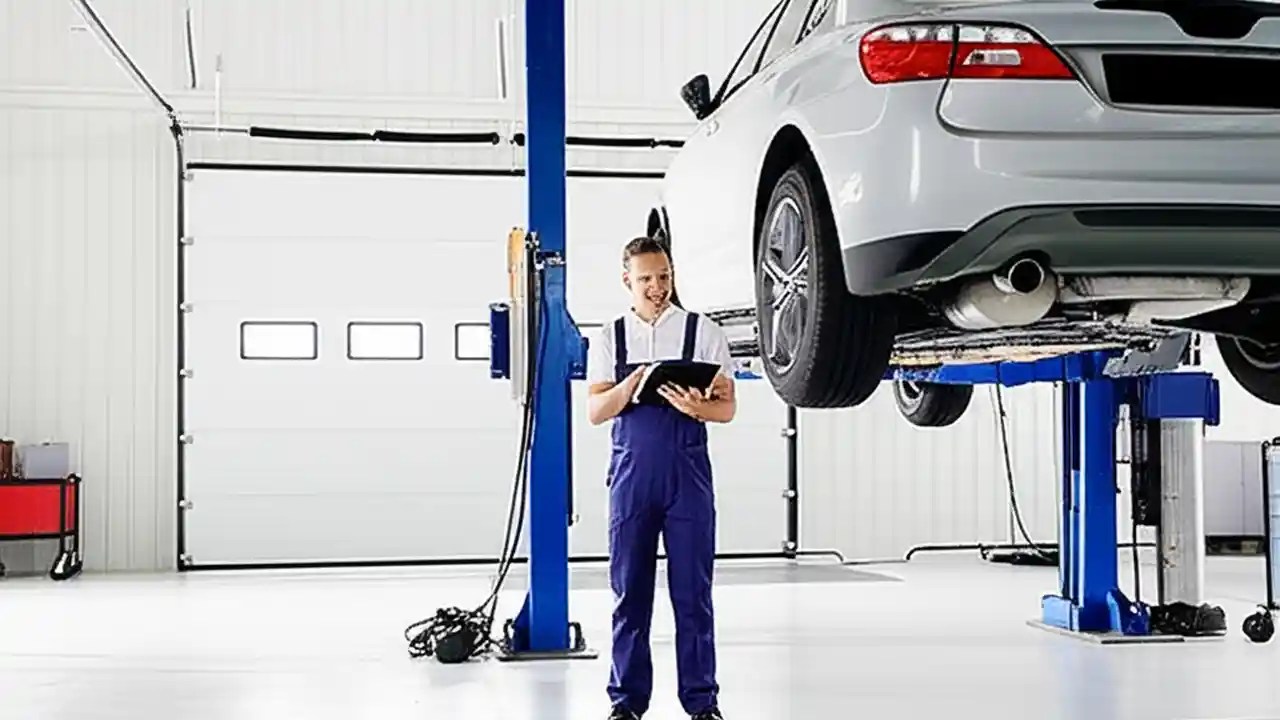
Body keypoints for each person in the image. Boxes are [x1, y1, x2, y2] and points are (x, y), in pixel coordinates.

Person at [587, 236, 736, 720]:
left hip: (687, 476)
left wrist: (701, 408)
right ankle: (627, 704)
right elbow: (594, 410)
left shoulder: (704, 332)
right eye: (647, 279)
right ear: (627, 280)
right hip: (632, 478)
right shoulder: (611, 337)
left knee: (693, 593)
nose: (657, 287)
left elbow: (728, 406)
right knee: (630, 593)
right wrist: (629, 388)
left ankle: (702, 703)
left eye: (665, 277)